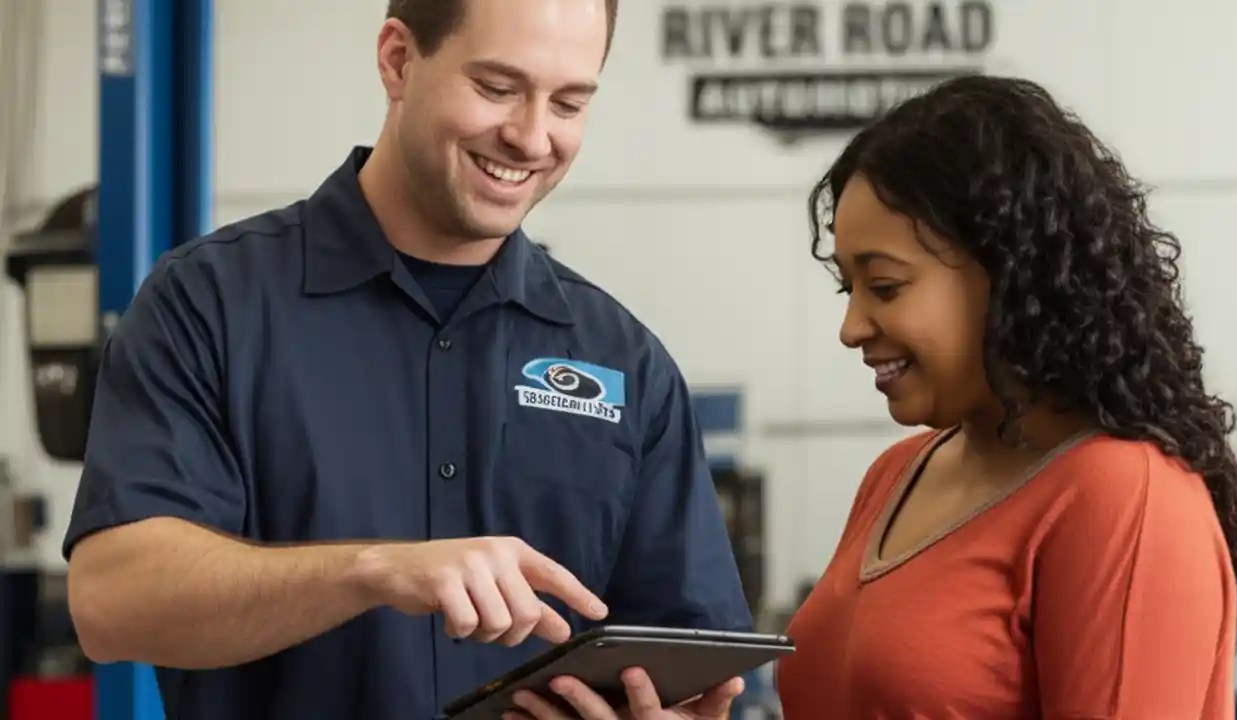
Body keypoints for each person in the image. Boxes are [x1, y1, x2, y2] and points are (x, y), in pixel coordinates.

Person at [61, 1, 753, 719]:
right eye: (497, 88)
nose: (531, 136)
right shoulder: (211, 306)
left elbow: (694, 665)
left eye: (569, 102)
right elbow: (112, 603)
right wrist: (375, 570)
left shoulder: (625, 362)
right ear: (398, 59)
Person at [774, 75, 1237, 719]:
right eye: (848, 290)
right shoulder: (894, 476)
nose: (852, 327)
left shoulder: (1124, 497)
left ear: (1009, 273)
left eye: (885, 287)